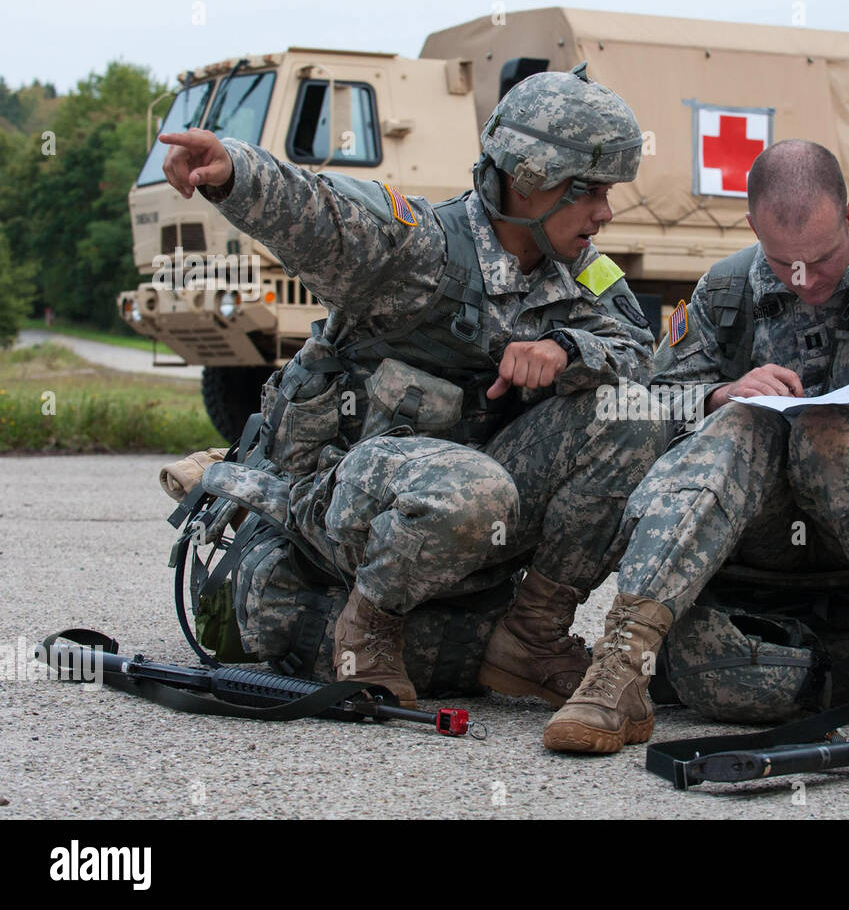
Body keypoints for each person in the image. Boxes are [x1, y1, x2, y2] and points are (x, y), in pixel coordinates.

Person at [158, 65, 663, 708]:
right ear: (527, 179)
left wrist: (568, 351)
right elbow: (323, 210)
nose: (605, 212)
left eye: (610, 190)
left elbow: (638, 356)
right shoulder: (421, 249)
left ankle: (530, 639)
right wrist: (234, 170)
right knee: (473, 489)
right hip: (347, 493)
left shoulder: (582, 274)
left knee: (635, 412)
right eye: (588, 189)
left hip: (477, 496)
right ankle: (367, 627)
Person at [542, 139, 849, 754]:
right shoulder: (727, 288)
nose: (805, 280)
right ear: (753, 228)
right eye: (784, 264)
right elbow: (650, 402)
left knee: (827, 431)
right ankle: (619, 669)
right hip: (773, 533)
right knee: (739, 425)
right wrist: (720, 394)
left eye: (824, 258)